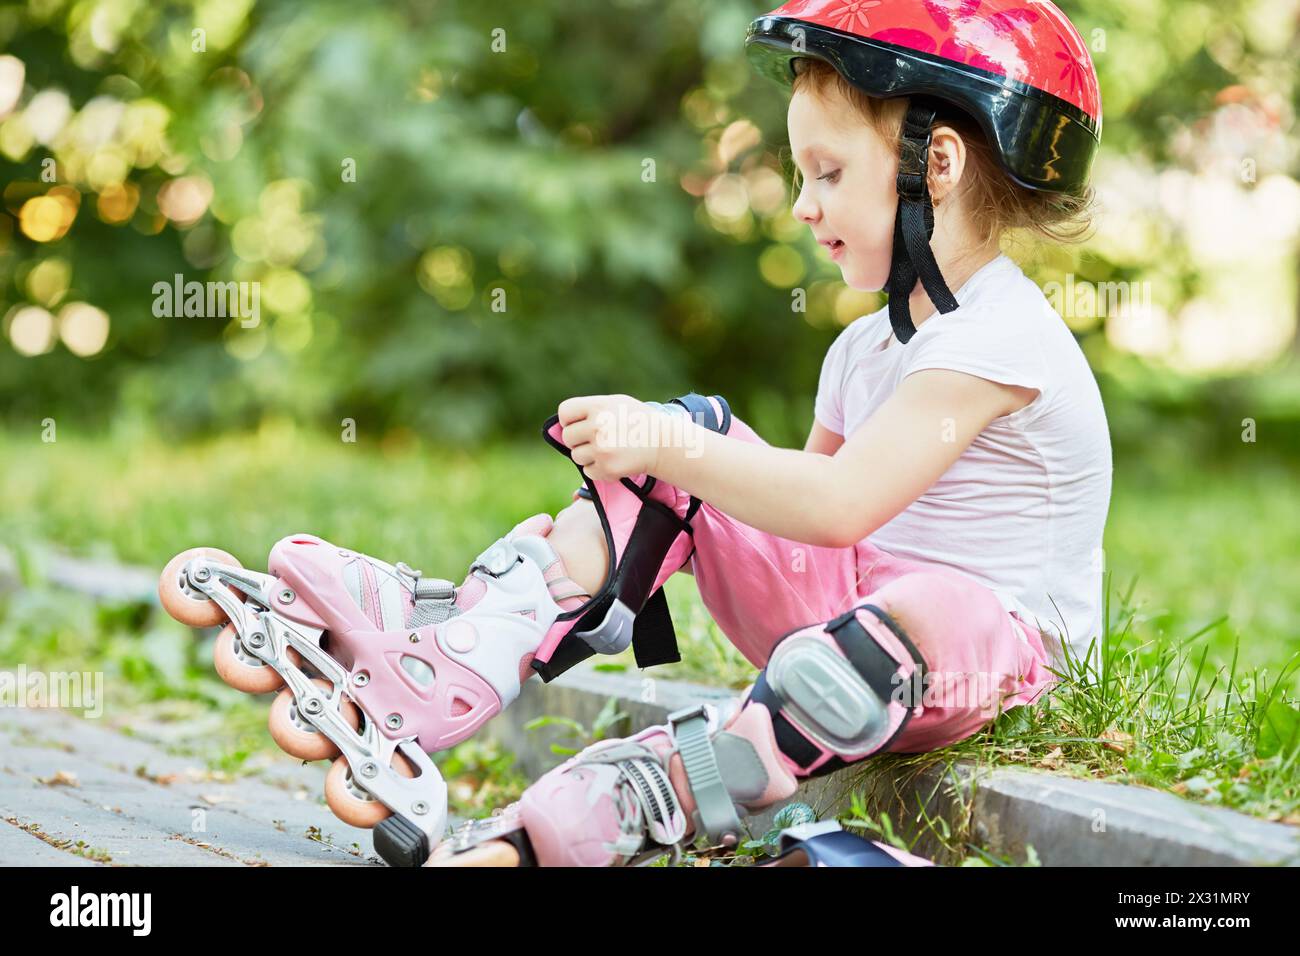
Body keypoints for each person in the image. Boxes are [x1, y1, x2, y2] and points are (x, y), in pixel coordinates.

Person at [426, 0, 1111, 867]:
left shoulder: (999, 337)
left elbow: (837, 508)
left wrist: (668, 446)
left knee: (922, 606)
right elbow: (787, 526)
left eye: (825, 173)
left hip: (988, 664)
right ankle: (465, 644)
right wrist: (674, 449)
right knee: (697, 437)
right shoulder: (864, 349)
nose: (800, 205)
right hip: (851, 627)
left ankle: (671, 783)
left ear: (934, 164)